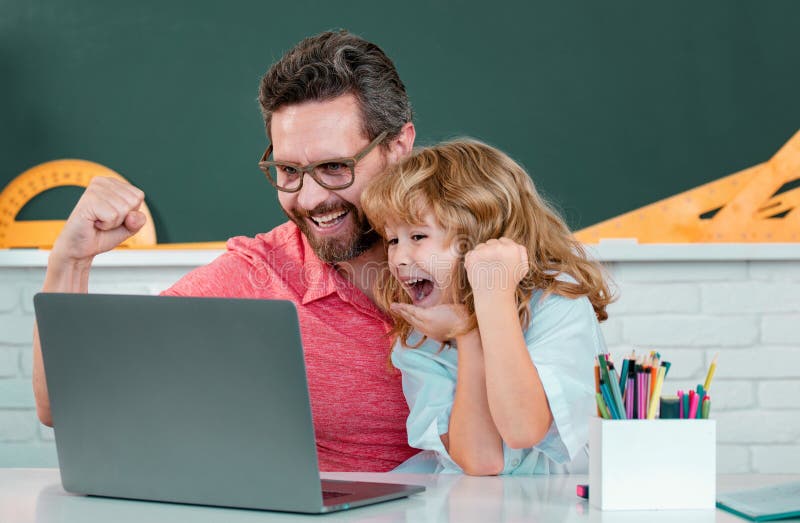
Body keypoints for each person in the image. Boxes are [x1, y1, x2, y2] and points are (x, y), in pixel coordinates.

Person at [32, 30, 420, 472]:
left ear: (398, 148)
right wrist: (71, 261)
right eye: (289, 170)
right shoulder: (259, 273)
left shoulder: (479, 253)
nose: (310, 199)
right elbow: (66, 406)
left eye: (335, 167)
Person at [360, 140, 612, 475]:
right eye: (393, 240)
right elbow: (482, 461)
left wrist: (491, 298)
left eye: (418, 237)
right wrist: (468, 334)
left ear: (480, 238)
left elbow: (523, 429)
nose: (399, 258)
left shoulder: (556, 303)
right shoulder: (420, 336)